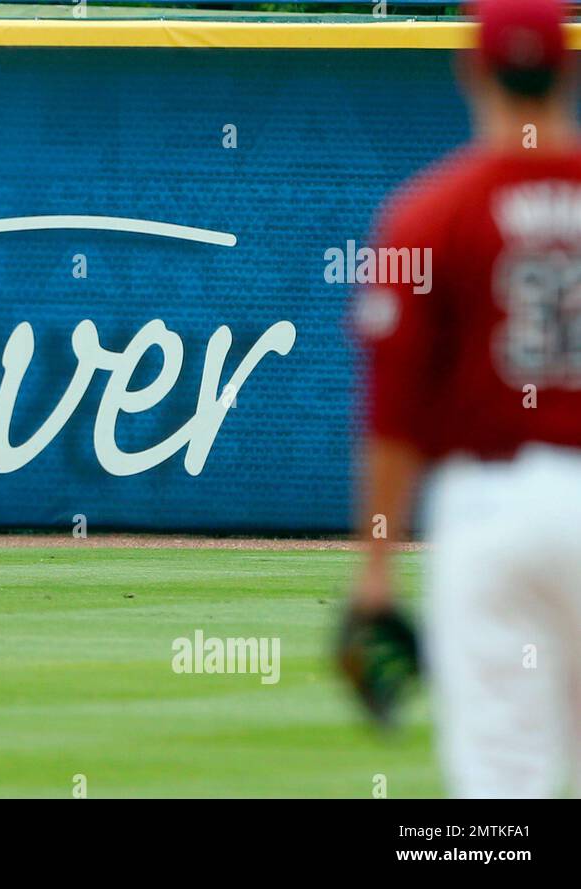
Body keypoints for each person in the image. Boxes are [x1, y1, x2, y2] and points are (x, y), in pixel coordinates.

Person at [353, 0, 581, 797]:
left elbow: (394, 410)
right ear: (570, 68)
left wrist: (375, 576)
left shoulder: (431, 211)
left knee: (500, 798)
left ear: (471, 69)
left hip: (491, 507)